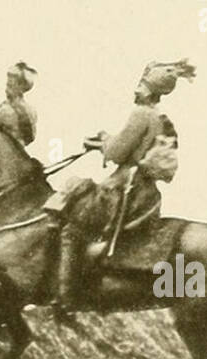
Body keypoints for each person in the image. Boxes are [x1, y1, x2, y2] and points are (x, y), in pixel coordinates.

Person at [46, 59, 195, 318]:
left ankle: (66, 299)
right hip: (146, 195)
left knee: (72, 227)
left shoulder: (141, 114)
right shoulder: (161, 118)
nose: (136, 88)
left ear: (149, 88)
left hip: (123, 189)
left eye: (141, 83)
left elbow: (117, 152)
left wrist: (101, 142)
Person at [0, 62, 39, 146]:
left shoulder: (7, 110)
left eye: (9, 86)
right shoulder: (32, 111)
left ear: (20, 87)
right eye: (7, 85)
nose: (6, 90)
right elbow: (31, 138)